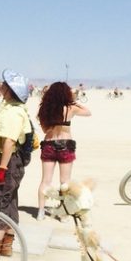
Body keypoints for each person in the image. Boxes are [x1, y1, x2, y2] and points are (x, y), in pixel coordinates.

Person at [0, 69, 32, 259]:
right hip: (15, 161)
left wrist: (2, 168)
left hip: (7, 161)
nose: (1, 86)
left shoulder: (11, 113)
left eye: (5, 84)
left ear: (10, 90)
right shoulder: (18, 110)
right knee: (11, 201)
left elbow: (9, 141)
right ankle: (6, 245)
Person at [35, 81, 91, 220]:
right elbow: (88, 112)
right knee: (65, 182)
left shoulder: (45, 110)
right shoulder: (70, 108)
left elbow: (45, 130)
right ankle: (63, 213)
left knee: (45, 181)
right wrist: (73, 101)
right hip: (66, 145)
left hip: (48, 144)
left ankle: (41, 212)